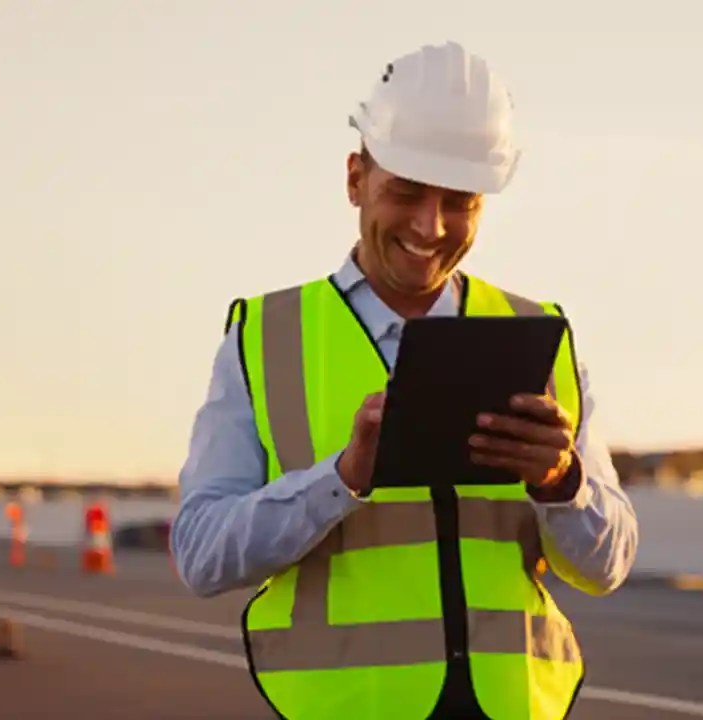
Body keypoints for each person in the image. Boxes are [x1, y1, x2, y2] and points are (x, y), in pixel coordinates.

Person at [172, 40, 639, 720]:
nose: (431, 226)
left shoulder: (539, 336)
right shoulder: (265, 337)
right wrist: (343, 477)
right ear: (356, 178)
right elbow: (202, 555)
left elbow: (609, 562)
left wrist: (560, 481)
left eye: (460, 202)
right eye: (407, 193)